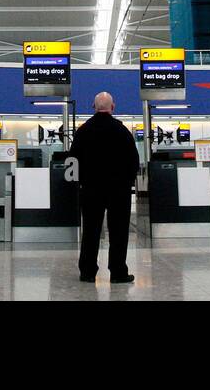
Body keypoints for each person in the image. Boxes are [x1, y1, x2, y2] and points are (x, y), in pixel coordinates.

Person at [69, 91, 140, 283]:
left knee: (91, 230)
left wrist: (79, 183)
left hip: (91, 189)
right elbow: (134, 161)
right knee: (118, 231)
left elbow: (72, 160)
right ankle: (117, 272)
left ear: (93, 107)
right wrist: (127, 182)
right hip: (119, 190)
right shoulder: (122, 131)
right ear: (113, 107)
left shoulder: (83, 131)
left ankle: (87, 271)